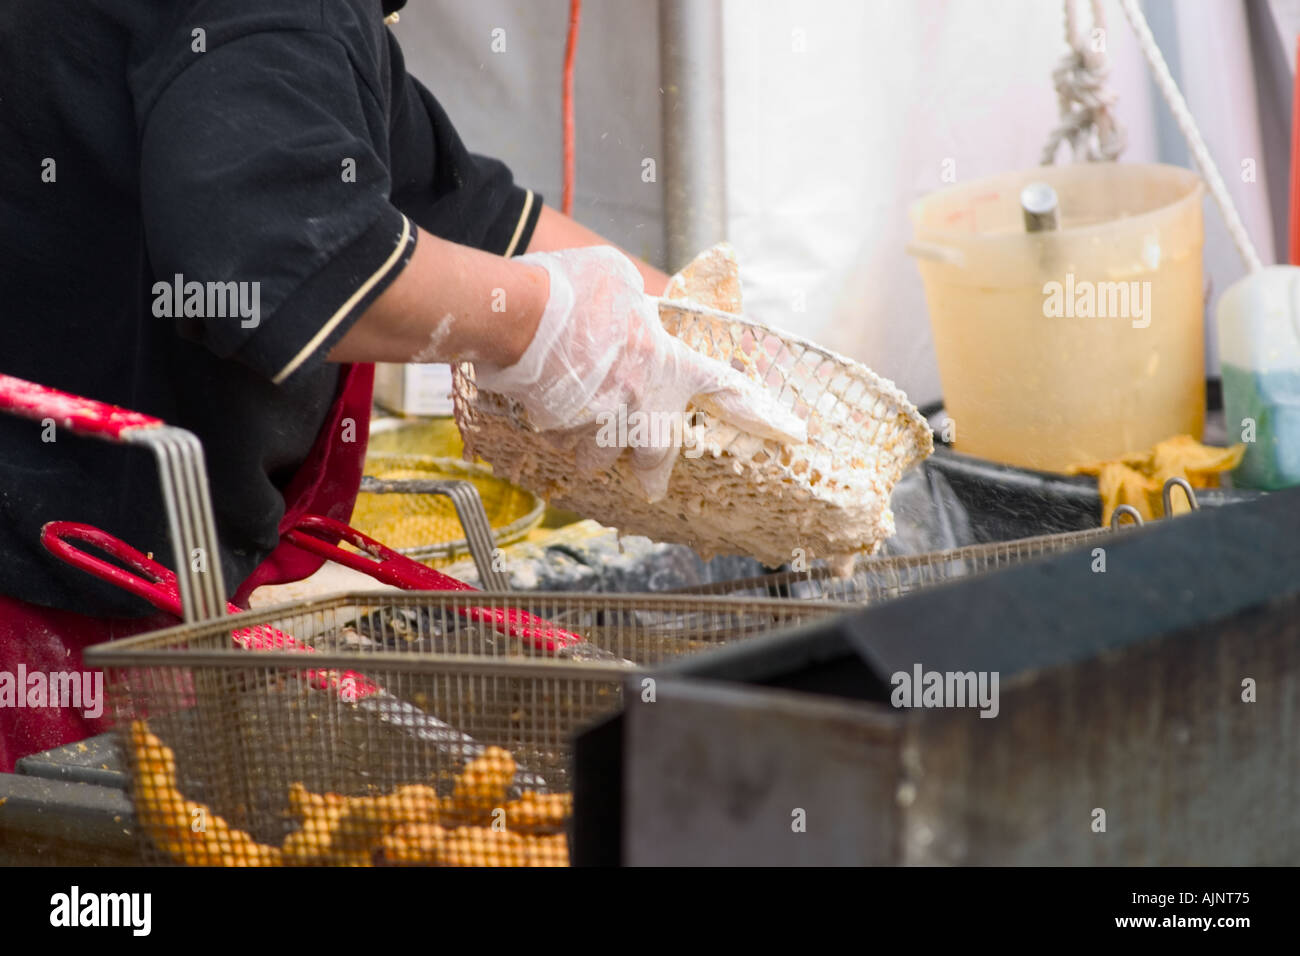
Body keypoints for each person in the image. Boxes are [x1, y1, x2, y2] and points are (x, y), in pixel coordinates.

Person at [0, 0, 797, 770]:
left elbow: (464, 211)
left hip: (114, 566)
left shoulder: (314, 27)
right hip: (47, 591)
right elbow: (281, 267)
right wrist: (535, 323)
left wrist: (728, 354)